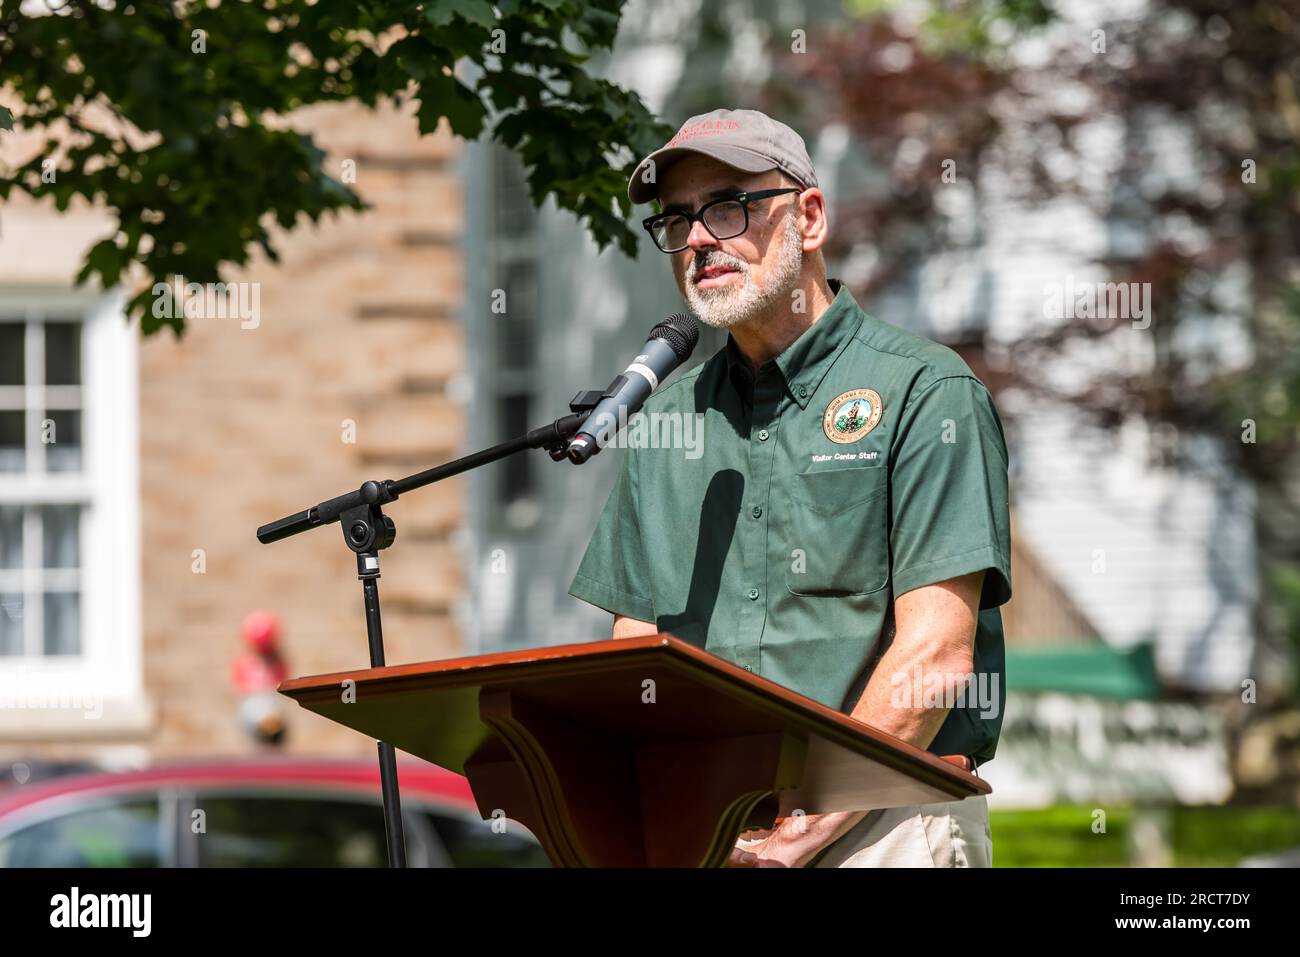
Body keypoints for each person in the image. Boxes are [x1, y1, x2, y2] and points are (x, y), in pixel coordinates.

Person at [568, 108, 1011, 867]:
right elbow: (636, 656)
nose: (700, 238)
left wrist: (799, 830)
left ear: (808, 217)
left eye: (728, 206)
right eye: (678, 220)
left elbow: (937, 655)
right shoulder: (668, 418)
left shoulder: (924, 391)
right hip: (709, 836)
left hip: (887, 824)